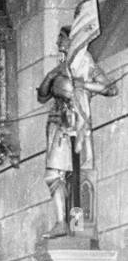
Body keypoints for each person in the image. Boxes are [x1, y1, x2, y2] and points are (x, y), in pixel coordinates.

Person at [37, 23, 117, 236]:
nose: (57, 43)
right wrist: (51, 75)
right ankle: (62, 222)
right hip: (58, 124)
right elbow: (42, 96)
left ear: (72, 40)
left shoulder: (85, 61)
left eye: (61, 39)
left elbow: (111, 88)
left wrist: (85, 85)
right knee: (53, 174)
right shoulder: (60, 65)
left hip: (76, 125)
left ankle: (76, 225)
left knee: (76, 175)